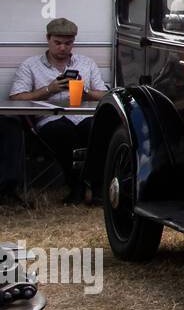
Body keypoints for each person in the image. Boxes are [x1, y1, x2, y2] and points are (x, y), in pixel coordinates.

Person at [8, 18, 109, 204]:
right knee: (63, 133)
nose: (63, 48)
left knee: (98, 131)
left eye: (68, 43)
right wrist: (49, 90)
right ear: (48, 39)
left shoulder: (86, 63)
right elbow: (16, 97)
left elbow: (104, 94)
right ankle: (77, 187)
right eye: (58, 43)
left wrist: (85, 91)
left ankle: (96, 188)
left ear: (73, 42)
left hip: (82, 115)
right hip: (49, 118)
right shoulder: (31, 65)